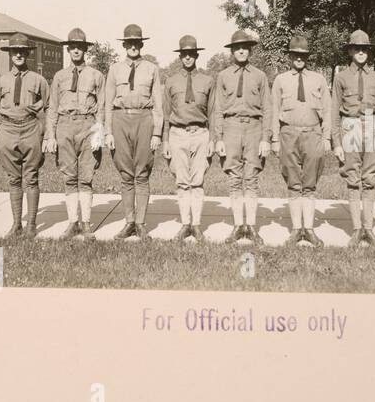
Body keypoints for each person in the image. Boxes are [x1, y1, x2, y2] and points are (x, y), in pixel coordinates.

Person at [331, 30, 375, 247]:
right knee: (352, 178)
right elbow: (334, 112)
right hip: (350, 127)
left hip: (373, 128)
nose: (361, 52)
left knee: (370, 179)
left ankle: (369, 229)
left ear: (369, 52)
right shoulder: (341, 77)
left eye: (364, 49)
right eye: (356, 48)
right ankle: (356, 230)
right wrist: (336, 143)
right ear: (350, 51)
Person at [209, 29, 271, 244]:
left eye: (245, 47)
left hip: (254, 128)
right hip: (231, 127)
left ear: (250, 50)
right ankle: (237, 227)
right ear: (232, 51)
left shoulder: (260, 76)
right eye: (238, 48)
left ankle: (251, 227)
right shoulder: (223, 76)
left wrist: (266, 138)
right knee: (235, 179)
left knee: (251, 179)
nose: (242, 51)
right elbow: (217, 109)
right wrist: (218, 139)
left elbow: (268, 109)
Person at [269, 34, 332, 247]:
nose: (299, 58)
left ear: (307, 57)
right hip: (288, 133)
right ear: (290, 56)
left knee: (310, 183)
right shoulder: (281, 80)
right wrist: (275, 139)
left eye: (302, 55)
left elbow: (328, 110)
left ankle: (310, 230)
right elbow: (274, 109)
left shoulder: (319, 79)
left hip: (313, 133)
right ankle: (297, 230)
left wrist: (326, 137)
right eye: (295, 54)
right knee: (293, 182)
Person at [0, 33, 50, 238]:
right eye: (16, 51)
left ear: (28, 54)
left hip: (31, 129)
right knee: (14, 179)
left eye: (23, 51)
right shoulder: (2, 81)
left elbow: (51, 107)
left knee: (31, 178)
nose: (19, 54)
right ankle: (16, 225)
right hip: (7, 130)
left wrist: (47, 136)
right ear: (10, 54)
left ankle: (31, 224)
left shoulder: (38, 80)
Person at [102, 24, 163, 239]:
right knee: (126, 174)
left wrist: (157, 133)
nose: (133, 46)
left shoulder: (152, 68)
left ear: (141, 44)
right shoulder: (115, 69)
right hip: (120, 119)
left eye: (137, 42)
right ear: (124, 45)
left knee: (142, 173)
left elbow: (158, 103)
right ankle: (129, 222)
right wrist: (108, 131)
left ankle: (141, 222)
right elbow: (107, 103)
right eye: (129, 42)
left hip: (144, 120)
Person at [43, 28, 105, 239]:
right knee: (69, 177)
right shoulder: (59, 76)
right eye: (73, 47)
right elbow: (52, 107)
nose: (76, 51)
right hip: (65, 126)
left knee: (86, 177)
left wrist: (99, 134)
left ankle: (86, 223)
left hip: (88, 126)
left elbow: (102, 107)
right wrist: (50, 136)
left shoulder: (96, 75)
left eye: (80, 47)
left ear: (85, 50)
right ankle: (72, 223)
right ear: (68, 50)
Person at [162, 34, 214, 244]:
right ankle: (185, 225)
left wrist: (213, 139)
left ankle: (197, 226)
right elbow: (166, 114)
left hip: (201, 134)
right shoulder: (171, 81)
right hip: (178, 134)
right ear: (180, 56)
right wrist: (165, 140)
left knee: (198, 181)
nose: (188, 58)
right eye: (185, 54)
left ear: (196, 56)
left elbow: (213, 112)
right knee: (183, 182)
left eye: (192, 54)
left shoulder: (208, 81)